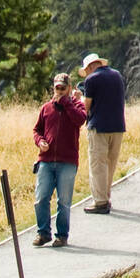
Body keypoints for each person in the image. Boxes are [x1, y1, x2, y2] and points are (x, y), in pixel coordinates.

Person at [31, 72, 86, 247]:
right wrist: (40, 141)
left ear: (69, 88)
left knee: (64, 201)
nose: (60, 91)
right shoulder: (46, 108)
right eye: (57, 88)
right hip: (46, 160)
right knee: (41, 198)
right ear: (53, 88)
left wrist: (67, 103)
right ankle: (43, 232)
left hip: (67, 162)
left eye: (63, 88)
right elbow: (36, 130)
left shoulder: (76, 106)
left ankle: (62, 235)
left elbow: (80, 120)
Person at [80, 53, 126, 214]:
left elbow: (86, 106)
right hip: (118, 125)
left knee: (98, 164)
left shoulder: (91, 80)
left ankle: (100, 201)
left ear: (90, 67)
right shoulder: (117, 75)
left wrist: (79, 101)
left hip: (98, 126)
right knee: (110, 163)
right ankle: (106, 195)